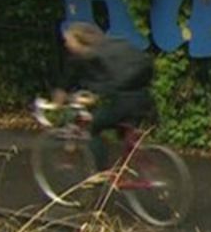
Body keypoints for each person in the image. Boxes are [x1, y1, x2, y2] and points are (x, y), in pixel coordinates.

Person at [54, 21, 155, 172]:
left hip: (121, 103)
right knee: (124, 131)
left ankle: (100, 174)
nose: (67, 45)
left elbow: (103, 85)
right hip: (143, 100)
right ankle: (140, 164)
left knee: (92, 128)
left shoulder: (89, 57)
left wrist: (59, 104)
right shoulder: (116, 43)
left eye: (69, 41)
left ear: (80, 41)